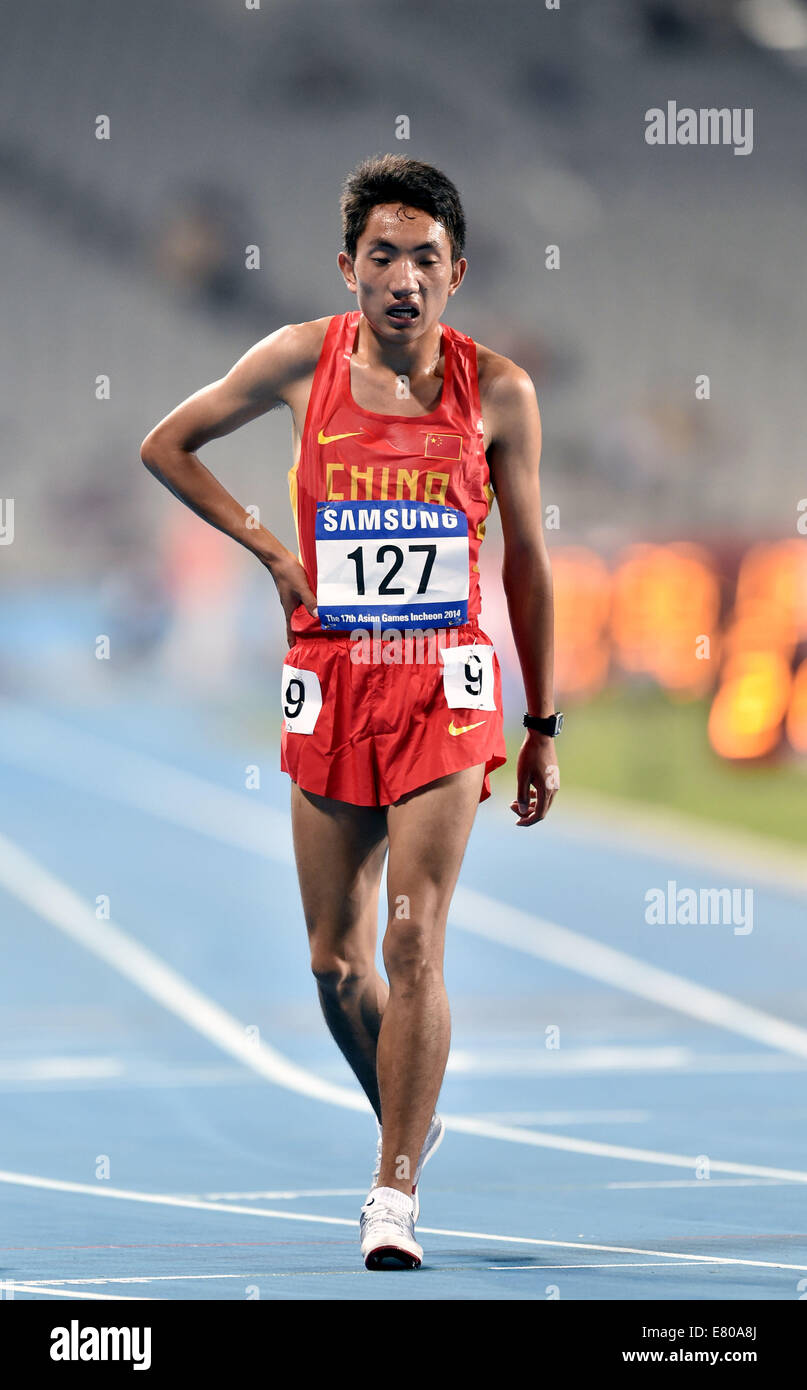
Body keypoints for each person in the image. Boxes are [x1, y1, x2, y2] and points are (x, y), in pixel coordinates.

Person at [141, 153, 561, 1270]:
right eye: (384, 256)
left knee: (414, 938)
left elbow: (525, 565)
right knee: (336, 963)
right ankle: (409, 1107)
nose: (405, 278)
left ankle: (393, 1190)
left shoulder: (500, 390)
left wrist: (544, 724)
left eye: (427, 258)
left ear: (456, 273)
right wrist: (272, 550)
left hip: (444, 685)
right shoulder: (298, 362)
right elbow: (165, 445)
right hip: (332, 681)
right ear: (349, 269)